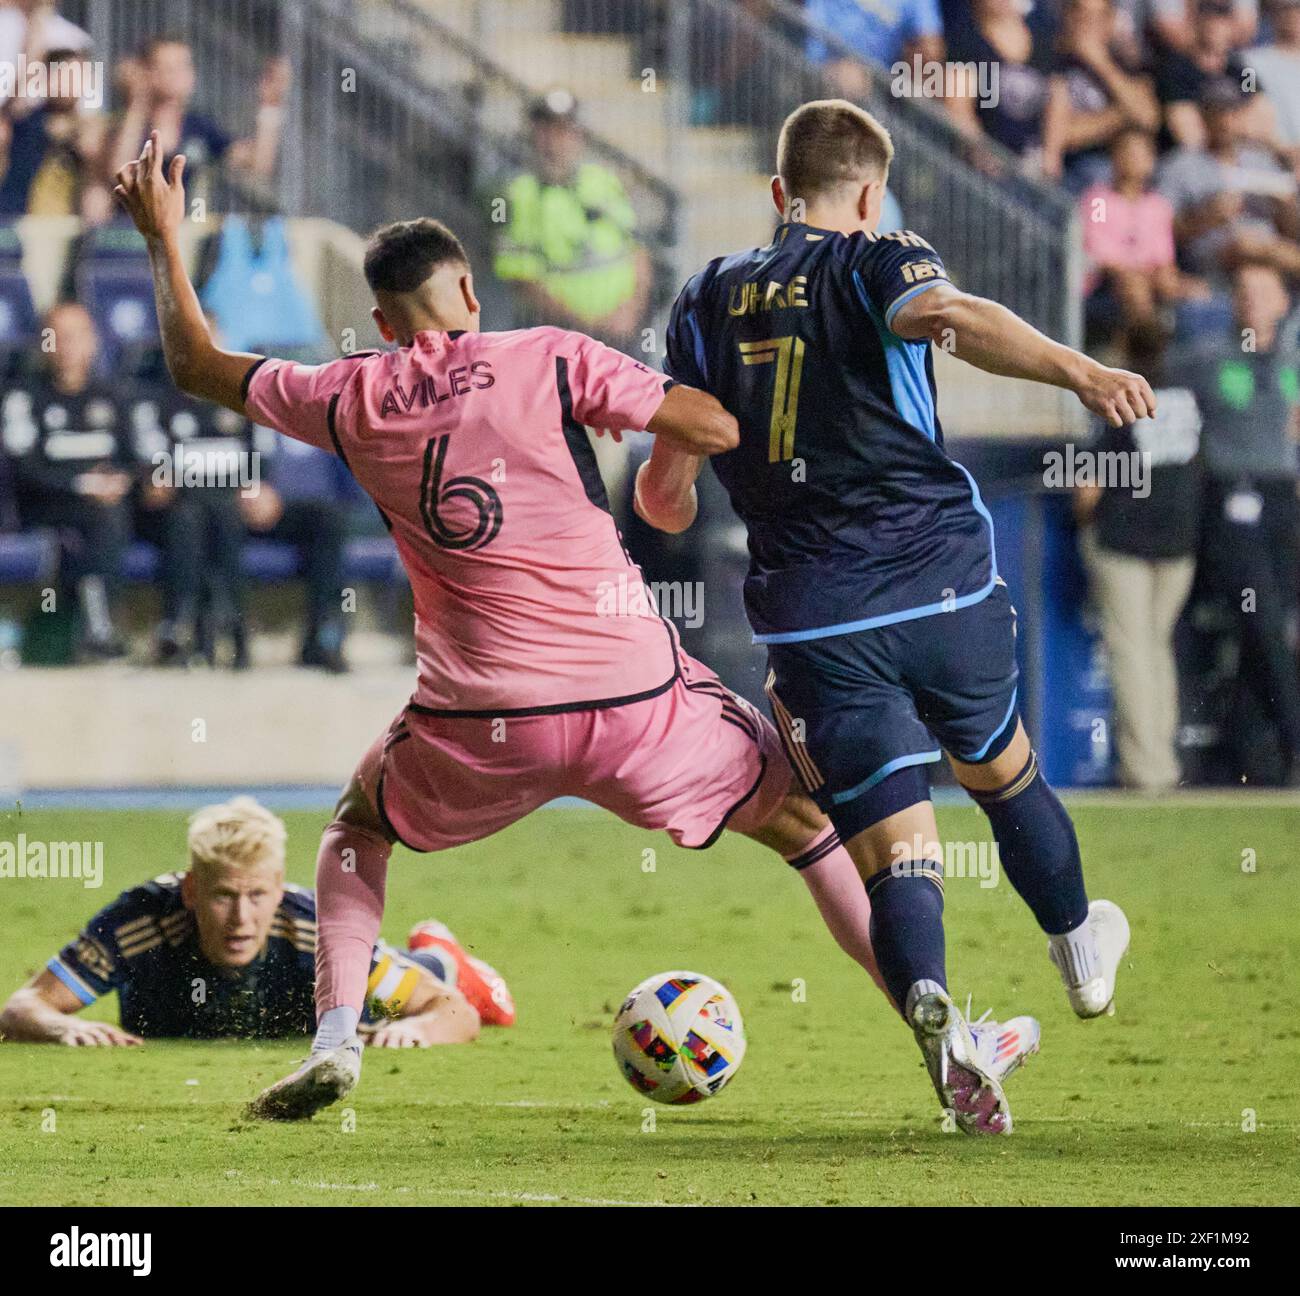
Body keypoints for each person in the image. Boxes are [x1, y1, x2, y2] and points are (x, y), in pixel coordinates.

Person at [111, 131, 1040, 1129]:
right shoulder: (551, 357)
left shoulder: (344, 394)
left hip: (478, 722)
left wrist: (165, 236)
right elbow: (717, 424)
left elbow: (197, 364)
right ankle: (941, 1036)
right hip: (634, 702)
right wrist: (655, 425)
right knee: (809, 829)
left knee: (356, 828)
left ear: (381, 323)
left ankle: (337, 1041)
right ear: (470, 295)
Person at [643, 99, 1144, 1135]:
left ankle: (934, 1002)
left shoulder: (702, 298)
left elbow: (663, 491)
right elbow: (949, 320)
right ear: (870, 195)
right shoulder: (880, 258)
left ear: (777, 195)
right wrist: (1078, 369)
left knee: (893, 843)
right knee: (1000, 771)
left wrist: (683, 494)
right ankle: (1076, 949)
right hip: (940, 587)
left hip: (811, 619)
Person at [0, 797, 508, 1045]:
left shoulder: (315, 930)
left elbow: (452, 1013)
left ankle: (443, 956)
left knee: (429, 981)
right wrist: (60, 1029)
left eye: (258, 895)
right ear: (191, 890)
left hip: (410, 981)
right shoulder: (141, 921)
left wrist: (417, 1031)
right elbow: (21, 1008)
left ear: (279, 884)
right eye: (223, 896)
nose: (242, 918)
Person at [1076, 321, 1203, 791]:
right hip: (1178, 542)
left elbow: (1087, 489)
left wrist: (1083, 519)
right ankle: (1164, 765)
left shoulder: (1117, 396)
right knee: (1157, 648)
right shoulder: (1188, 397)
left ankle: (1143, 771)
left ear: (1123, 347)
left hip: (1123, 539)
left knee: (1130, 652)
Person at [1187, 264, 1300, 781]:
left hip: (1283, 499)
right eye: (1242, 291)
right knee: (1263, 622)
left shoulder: (1291, 362)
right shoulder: (1208, 358)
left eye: (1262, 292)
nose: (1250, 301)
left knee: (1270, 631)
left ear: (1283, 304)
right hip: (1232, 498)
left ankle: (1256, 761)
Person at [1, 301, 130, 658]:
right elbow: (25, 469)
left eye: (79, 336)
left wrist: (123, 480)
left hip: (108, 506)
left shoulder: (112, 396)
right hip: (45, 507)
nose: (70, 345)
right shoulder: (23, 397)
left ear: (93, 341)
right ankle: (97, 628)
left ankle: (175, 632)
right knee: (100, 518)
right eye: (60, 336)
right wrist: (84, 485)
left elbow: (135, 459)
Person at [492, 90, 650, 351]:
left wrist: (630, 310)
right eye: (546, 131)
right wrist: (585, 325)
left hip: (622, 336)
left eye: (564, 131)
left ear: (578, 135)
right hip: (561, 343)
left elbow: (637, 250)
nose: (555, 142)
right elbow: (520, 277)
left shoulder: (603, 181)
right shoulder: (519, 195)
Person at [106, 37, 288, 206]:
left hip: (182, 231)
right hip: (129, 230)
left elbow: (257, 164)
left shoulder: (199, 127)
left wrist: (269, 106)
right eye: (168, 67)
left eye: (184, 66)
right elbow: (118, 174)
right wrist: (136, 103)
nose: (178, 75)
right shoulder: (127, 124)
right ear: (147, 73)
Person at [1081, 127, 1208, 338]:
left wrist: (1175, 282)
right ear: (1114, 157)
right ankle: (1144, 346)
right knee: (1134, 285)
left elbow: (1164, 258)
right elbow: (1098, 251)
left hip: (1149, 278)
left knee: (1197, 291)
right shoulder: (1098, 200)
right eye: (1126, 151)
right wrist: (1139, 271)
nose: (1133, 158)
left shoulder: (1158, 206)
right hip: (1105, 281)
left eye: (1140, 153)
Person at [1041, 0, 1159, 191]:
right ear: (1067, 15)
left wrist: (1098, 61)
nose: (1086, 23)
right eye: (1080, 13)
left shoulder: (1124, 63)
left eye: (1096, 17)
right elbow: (1062, 134)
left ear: (1109, 22)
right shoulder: (1046, 58)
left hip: (1111, 166)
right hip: (1064, 166)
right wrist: (1122, 114)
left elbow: (1148, 118)